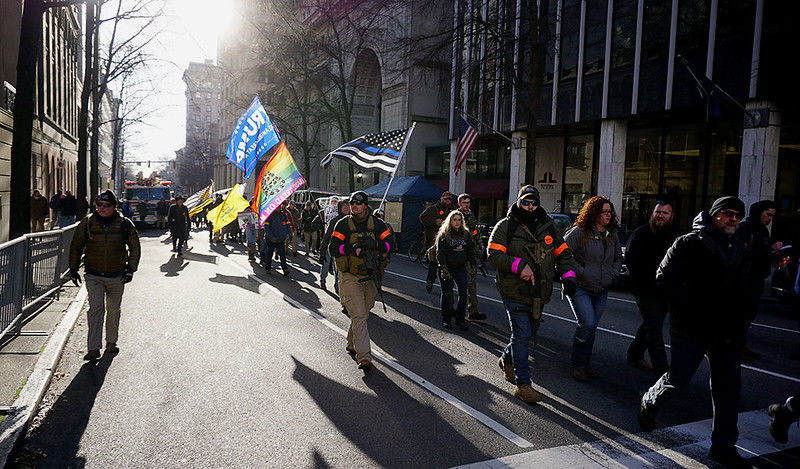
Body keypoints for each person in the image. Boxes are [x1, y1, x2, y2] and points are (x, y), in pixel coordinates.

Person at [637, 196, 753, 468]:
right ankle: (649, 401)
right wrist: (694, 301)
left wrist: (742, 322)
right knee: (678, 379)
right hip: (691, 328)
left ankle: (723, 447)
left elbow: (748, 288)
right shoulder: (689, 243)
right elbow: (663, 278)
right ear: (714, 216)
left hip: (727, 332)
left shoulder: (742, 246)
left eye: (737, 214)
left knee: (728, 390)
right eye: (727, 213)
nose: (733, 219)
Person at [488, 185, 578, 404]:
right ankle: (523, 385)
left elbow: (563, 253)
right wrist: (519, 266)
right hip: (513, 289)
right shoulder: (506, 226)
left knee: (526, 333)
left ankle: (506, 360)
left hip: (540, 291)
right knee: (522, 334)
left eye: (533, 202)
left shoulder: (548, 226)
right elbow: (493, 255)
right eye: (525, 202)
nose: (529, 207)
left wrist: (568, 276)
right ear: (519, 202)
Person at [68, 190, 140, 361]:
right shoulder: (87, 223)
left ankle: (111, 343)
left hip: (117, 275)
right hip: (93, 275)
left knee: (113, 310)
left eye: (106, 205)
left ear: (114, 207)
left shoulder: (124, 224)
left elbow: (135, 247)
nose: (101, 208)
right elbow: (76, 246)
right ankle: (93, 348)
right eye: (99, 205)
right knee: (96, 310)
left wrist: (131, 269)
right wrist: (73, 269)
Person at [329, 191, 394, 371]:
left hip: (371, 275)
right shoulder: (343, 225)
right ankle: (364, 356)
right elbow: (333, 248)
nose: (354, 206)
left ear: (365, 205)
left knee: (363, 314)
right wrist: (352, 248)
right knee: (358, 315)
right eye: (352, 203)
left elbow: (391, 245)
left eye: (357, 203)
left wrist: (375, 245)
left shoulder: (378, 225)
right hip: (350, 275)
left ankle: (351, 342)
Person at [563, 196, 623, 382]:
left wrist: (613, 273)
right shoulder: (579, 232)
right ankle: (578, 365)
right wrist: (580, 271)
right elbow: (563, 252)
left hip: (601, 289)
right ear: (594, 213)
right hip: (581, 287)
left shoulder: (611, 234)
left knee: (592, 328)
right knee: (587, 324)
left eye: (610, 211)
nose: (608, 215)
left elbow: (618, 258)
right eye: (604, 211)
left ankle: (585, 365)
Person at [625, 201, 682, 375]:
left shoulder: (677, 235)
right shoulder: (641, 233)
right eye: (658, 212)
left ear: (671, 216)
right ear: (653, 213)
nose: (660, 216)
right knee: (654, 329)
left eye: (665, 213)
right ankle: (663, 373)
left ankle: (634, 355)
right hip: (645, 291)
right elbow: (631, 260)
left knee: (650, 325)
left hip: (666, 292)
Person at [738, 200, 783, 363]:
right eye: (767, 214)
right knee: (740, 317)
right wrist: (768, 250)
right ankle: (736, 349)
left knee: (748, 316)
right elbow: (745, 253)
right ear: (759, 212)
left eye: (772, 216)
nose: (769, 218)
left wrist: (773, 252)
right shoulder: (744, 228)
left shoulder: (763, 231)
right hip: (744, 281)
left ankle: (741, 346)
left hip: (756, 279)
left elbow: (762, 254)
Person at [436, 211, 477, 331]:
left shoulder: (466, 234)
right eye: (455, 220)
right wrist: (443, 267)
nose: (457, 222)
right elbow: (440, 253)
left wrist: (473, 266)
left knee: (463, 294)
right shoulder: (444, 235)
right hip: (447, 268)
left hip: (461, 268)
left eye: (459, 220)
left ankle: (460, 319)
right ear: (450, 221)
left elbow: (470, 251)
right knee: (447, 294)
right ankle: (446, 319)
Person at [457, 193, 487, 321]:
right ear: (459, 203)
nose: (466, 205)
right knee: (456, 284)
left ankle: (472, 310)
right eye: (464, 202)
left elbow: (475, 233)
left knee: (471, 282)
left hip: (470, 253)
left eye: (468, 202)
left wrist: (480, 247)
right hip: (458, 252)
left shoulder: (471, 216)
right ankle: (453, 311)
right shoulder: (456, 216)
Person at [420, 191, 454, 292]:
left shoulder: (453, 210)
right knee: (434, 264)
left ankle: (448, 284)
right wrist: (435, 221)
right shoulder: (433, 209)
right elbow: (423, 217)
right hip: (434, 242)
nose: (448, 201)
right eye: (446, 199)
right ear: (441, 199)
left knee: (449, 264)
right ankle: (430, 281)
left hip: (449, 242)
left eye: (450, 199)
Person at [320, 200, 350, 291]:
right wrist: (322, 251)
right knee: (326, 264)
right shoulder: (335, 221)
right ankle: (322, 281)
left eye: (347, 206)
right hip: (331, 246)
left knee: (338, 268)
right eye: (343, 206)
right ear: (340, 208)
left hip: (343, 249)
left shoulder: (352, 220)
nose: (346, 208)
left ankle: (338, 286)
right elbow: (327, 235)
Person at [261, 202, 292, 276]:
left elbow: (288, 225)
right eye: (278, 206)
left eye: (280, 206)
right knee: (269, 254)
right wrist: (271, 237)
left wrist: (290, 235)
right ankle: (268, 268)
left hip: (280, 239)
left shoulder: (284, 215)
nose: (279, 207)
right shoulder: (270, 215)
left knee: (282, 255)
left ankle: (285, 269)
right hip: (271, 240)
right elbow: (266, 227)